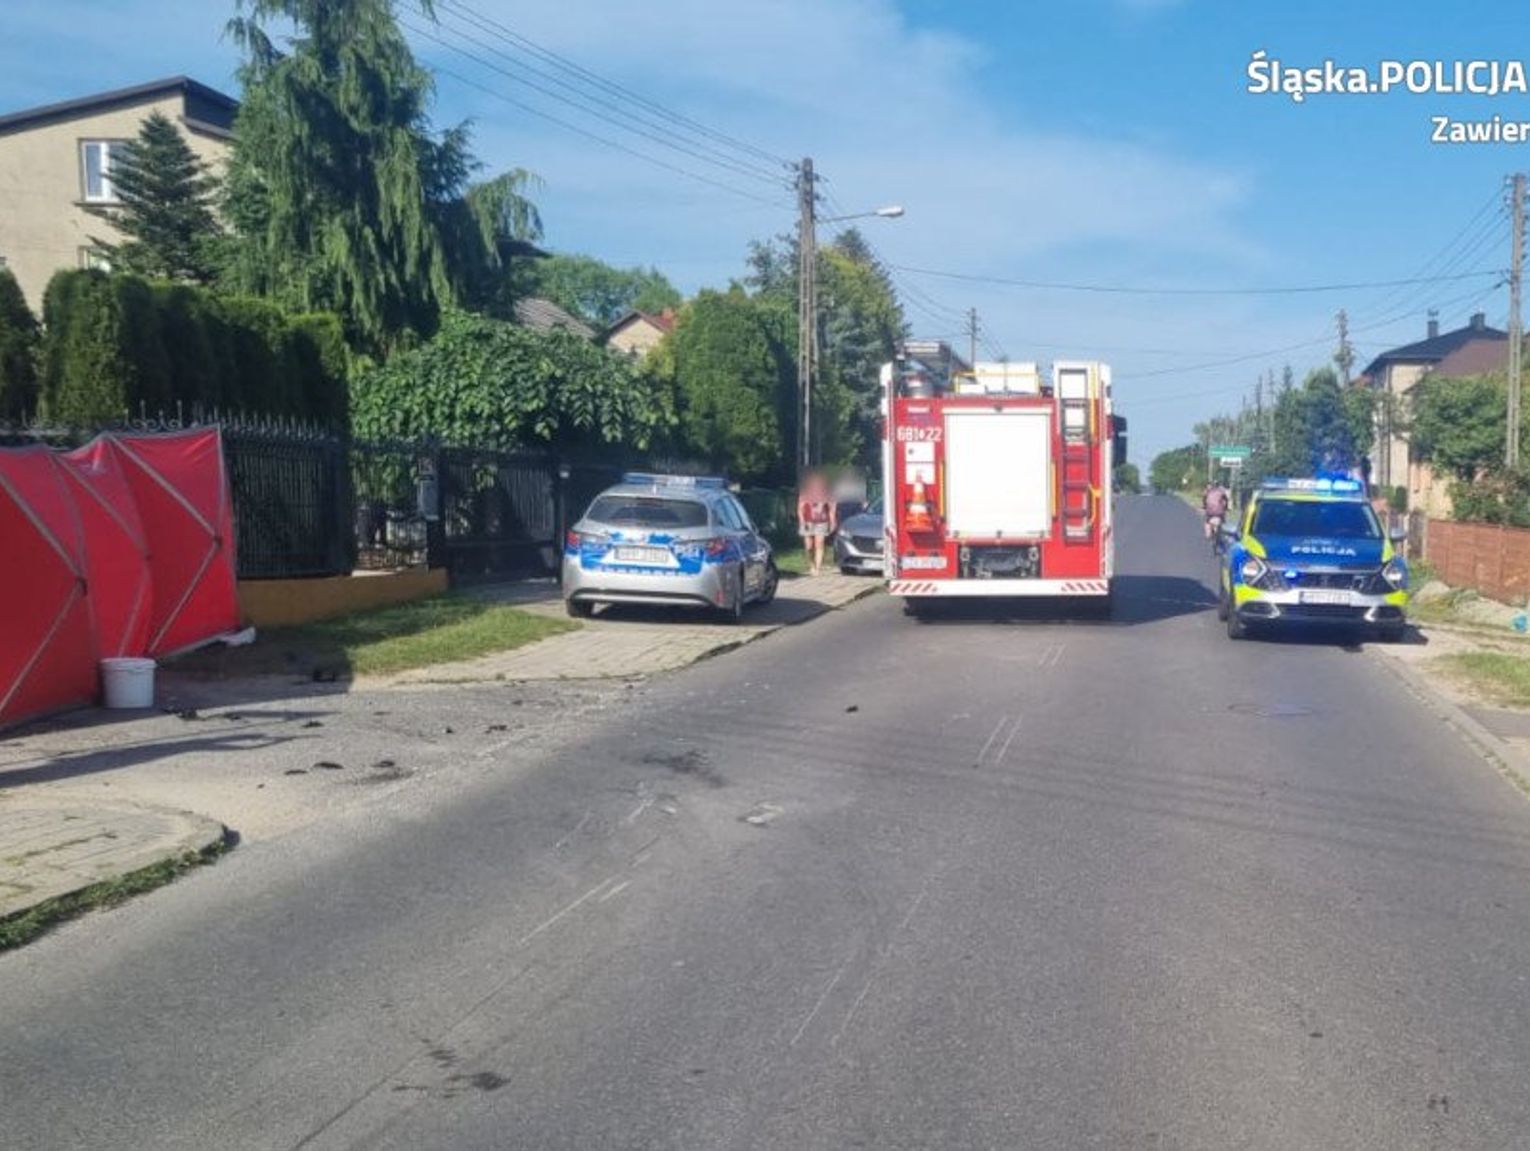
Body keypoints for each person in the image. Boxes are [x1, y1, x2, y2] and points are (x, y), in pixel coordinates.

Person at [797, 472, 837, 576]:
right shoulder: (805, 494)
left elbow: (831, 510)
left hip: (821, 522)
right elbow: (800, 509)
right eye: (815, 483)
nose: (817, 485)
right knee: (809, 546)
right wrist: (802, 521)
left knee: (819, 544)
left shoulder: (826, 494)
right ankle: (811, 564)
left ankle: (817, 568)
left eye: (819, 483)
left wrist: (832, 522)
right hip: (807, 522)